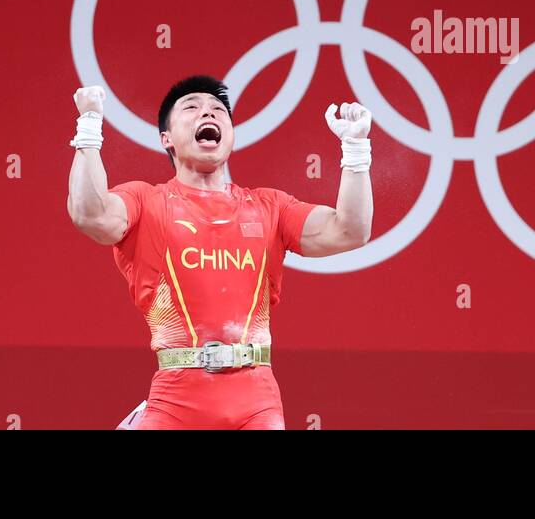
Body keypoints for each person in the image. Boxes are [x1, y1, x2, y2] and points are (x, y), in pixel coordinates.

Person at [66, 74, 373, 429]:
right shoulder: (145, 201)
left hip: (256, 405)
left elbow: (350, 231)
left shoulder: (269, 207)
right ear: (166, 138)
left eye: (217, 110)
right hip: (174, 404)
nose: (207, 114)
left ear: (230, 134)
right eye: (192, 108)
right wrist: (89, 125)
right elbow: (91, 215)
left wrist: (356, 150)